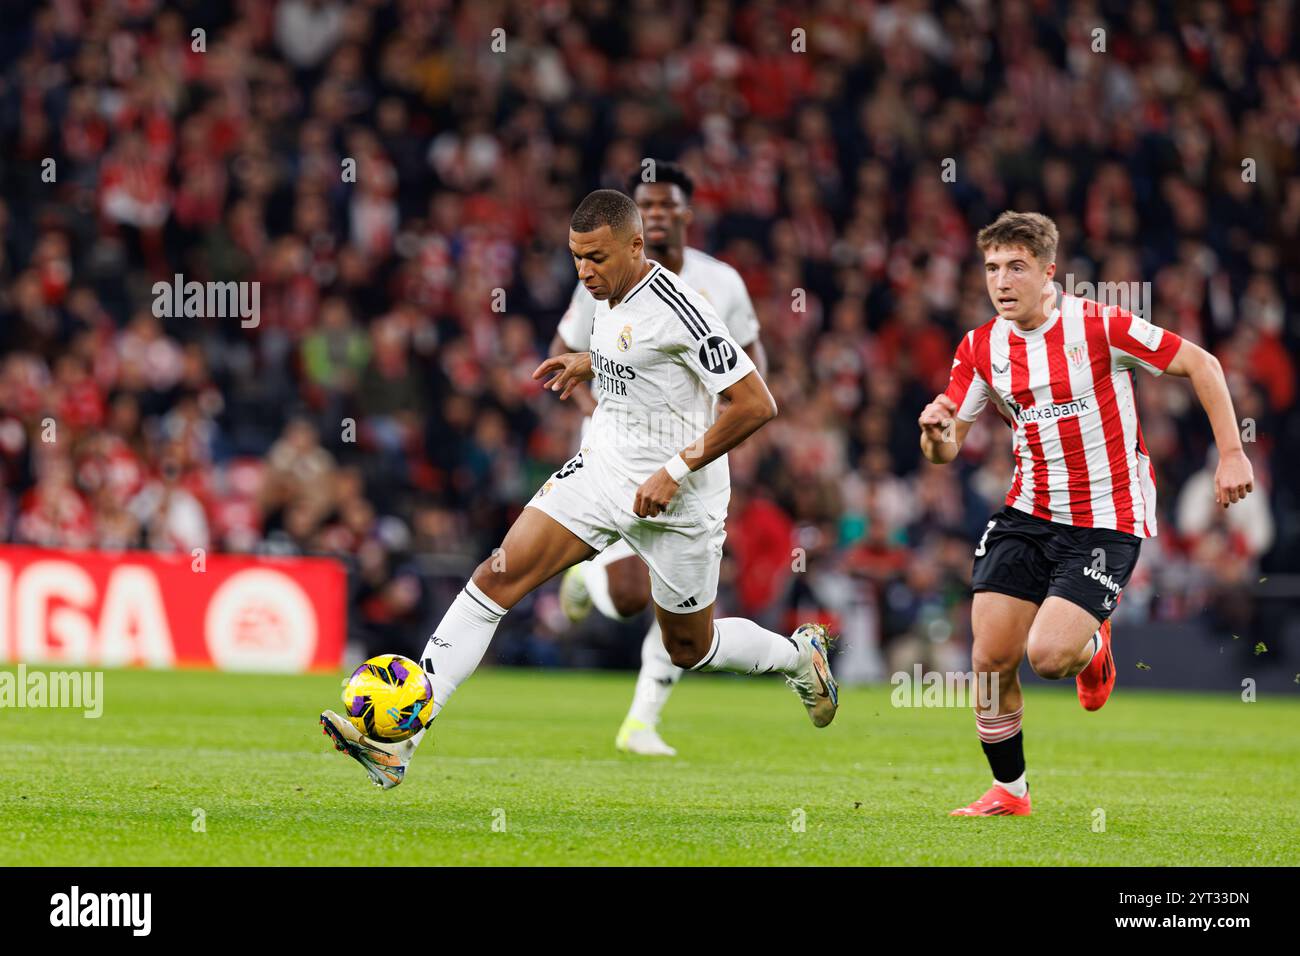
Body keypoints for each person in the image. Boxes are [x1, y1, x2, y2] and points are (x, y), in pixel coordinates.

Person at [321, 188, 836, 788]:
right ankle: (401, 743)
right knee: (497, 575)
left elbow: (754, 403)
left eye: (596, 257)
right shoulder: (605, 297)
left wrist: (674, 471)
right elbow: (637, 353)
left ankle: (800, 659)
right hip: (601, 472)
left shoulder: (681, 307)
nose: (585, 272)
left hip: (680, 498)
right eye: (575, 258)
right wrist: (588, 363)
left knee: (688, 647)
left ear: (637, 247)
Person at [917, 210, 1255, 816]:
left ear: (1049, 272)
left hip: (1106, 519)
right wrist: (935, 433)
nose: (1002, 281)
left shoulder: (1099, 326)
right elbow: (945, 450)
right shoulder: (979, 347)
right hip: (1027, 513)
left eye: (1016, 267)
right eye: (992, 268)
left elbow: (1203, 363)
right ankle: (1010, 792)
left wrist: (1230, 454)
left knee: (1047, 658)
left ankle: (1093, 648)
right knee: (989, 658)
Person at [548, 161, 767, 756]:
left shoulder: (719, 284)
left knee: (675, 606)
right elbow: (570, 347)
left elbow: (750, 371)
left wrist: (719, 440)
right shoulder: (598, 274)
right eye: (650, 203)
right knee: (624, 598)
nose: (661, 213)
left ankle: (642, 718)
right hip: (613, 455)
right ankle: (586, 578)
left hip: (688, 462)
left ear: (685, 215)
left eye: (670, 205)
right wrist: (601, 411)